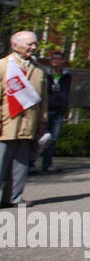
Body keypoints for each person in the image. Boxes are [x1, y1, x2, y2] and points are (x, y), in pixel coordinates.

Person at [1, 30, 48, 208]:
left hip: (29, 124)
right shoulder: (3, 66)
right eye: (29, 44)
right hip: (6, 123)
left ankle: (14, 198)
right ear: (15, 45)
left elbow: (43, 99)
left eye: (35, 44)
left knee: (21, 165)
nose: (33, 47)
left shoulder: (39, 70)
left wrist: (42, 121)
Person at [39, 50, 71, 173]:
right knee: (42, 137)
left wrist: (65, 107)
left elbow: (66, 93)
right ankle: (31, 163)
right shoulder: (44, 74)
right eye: (53, 58)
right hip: (46, 109)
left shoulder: (66, 76)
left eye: (58, 59)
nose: (55, 61)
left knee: (53, 139)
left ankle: (47, 164)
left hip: (58, 110)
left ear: (62, 61)